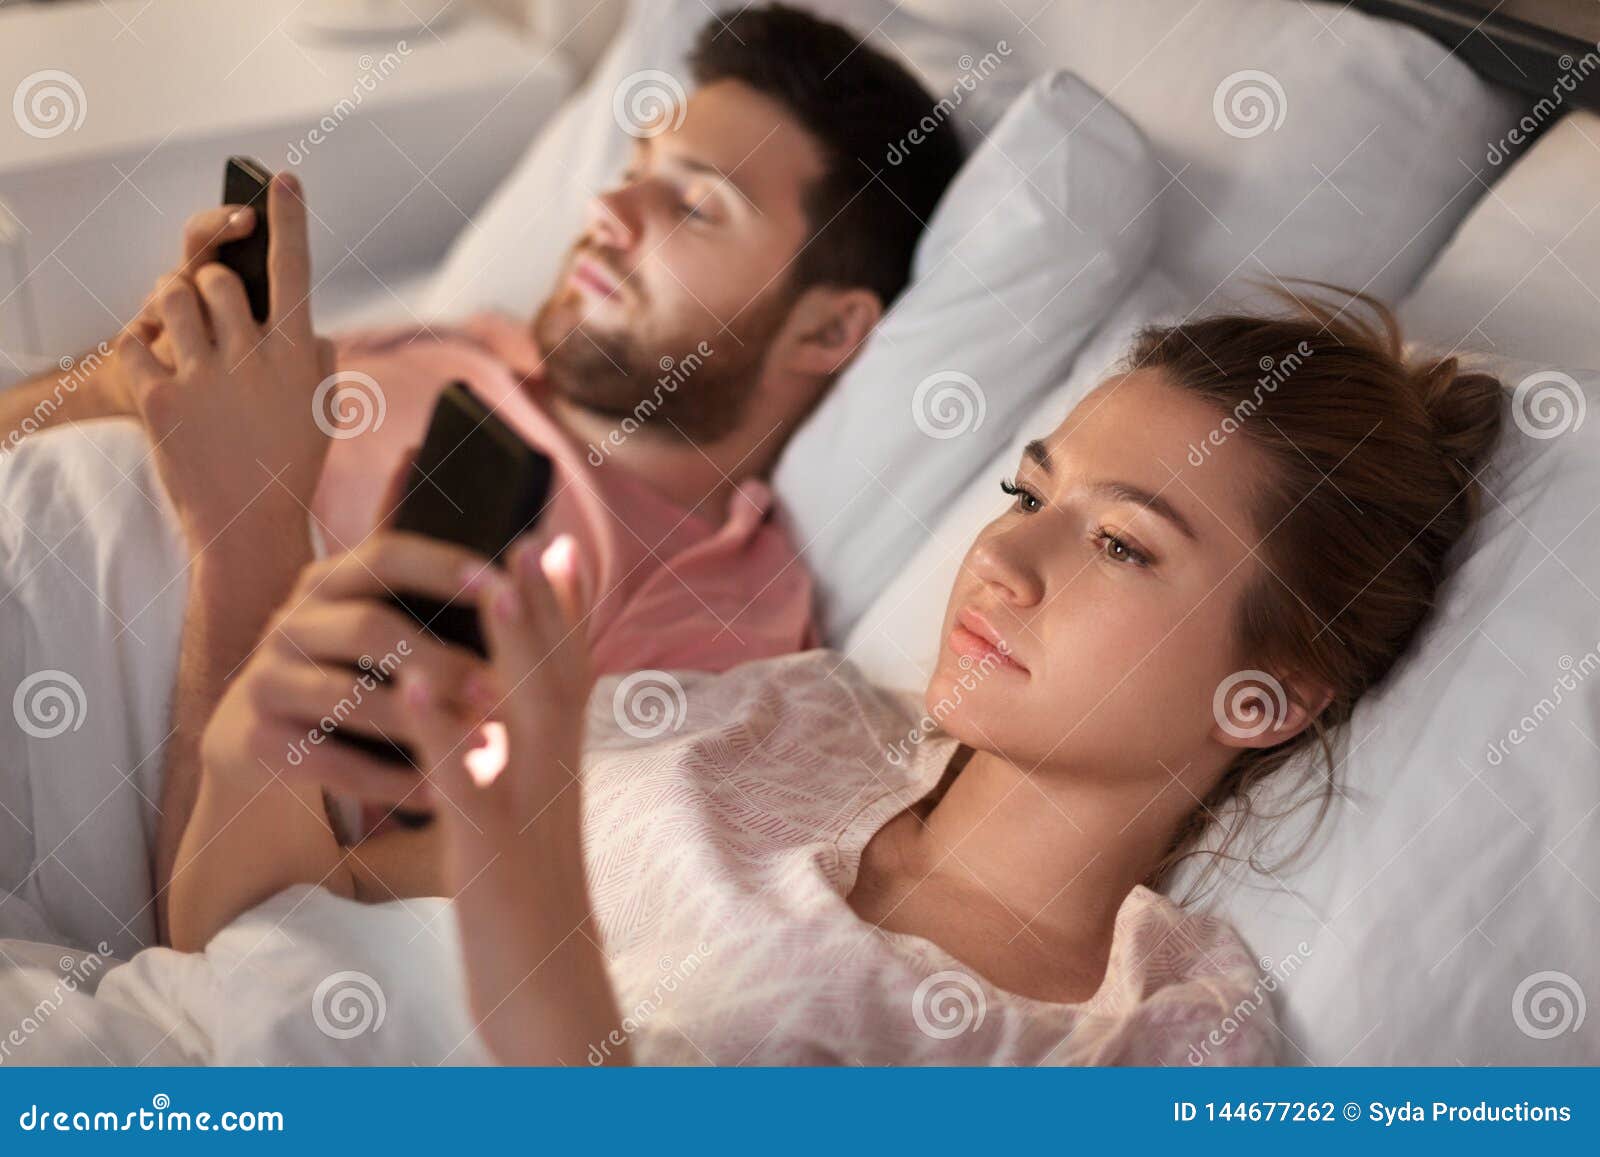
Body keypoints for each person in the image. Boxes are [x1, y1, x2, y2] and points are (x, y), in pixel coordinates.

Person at [169, 288, 1505, 1064]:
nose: (1004, 558)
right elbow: (256, 927)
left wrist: (525, 872)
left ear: (1265, 696)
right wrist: (251, 746)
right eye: (1026, 490)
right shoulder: (782, 711)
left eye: (1119, 543)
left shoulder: (1147, 1039)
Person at [0, 5, 966, 941]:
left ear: (831, 327)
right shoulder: (464, 345)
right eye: (635, 169)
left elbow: (274, 932)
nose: (611, 208)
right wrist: (136, 380)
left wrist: (249, 523)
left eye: (696, 204)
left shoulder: (719, 620)